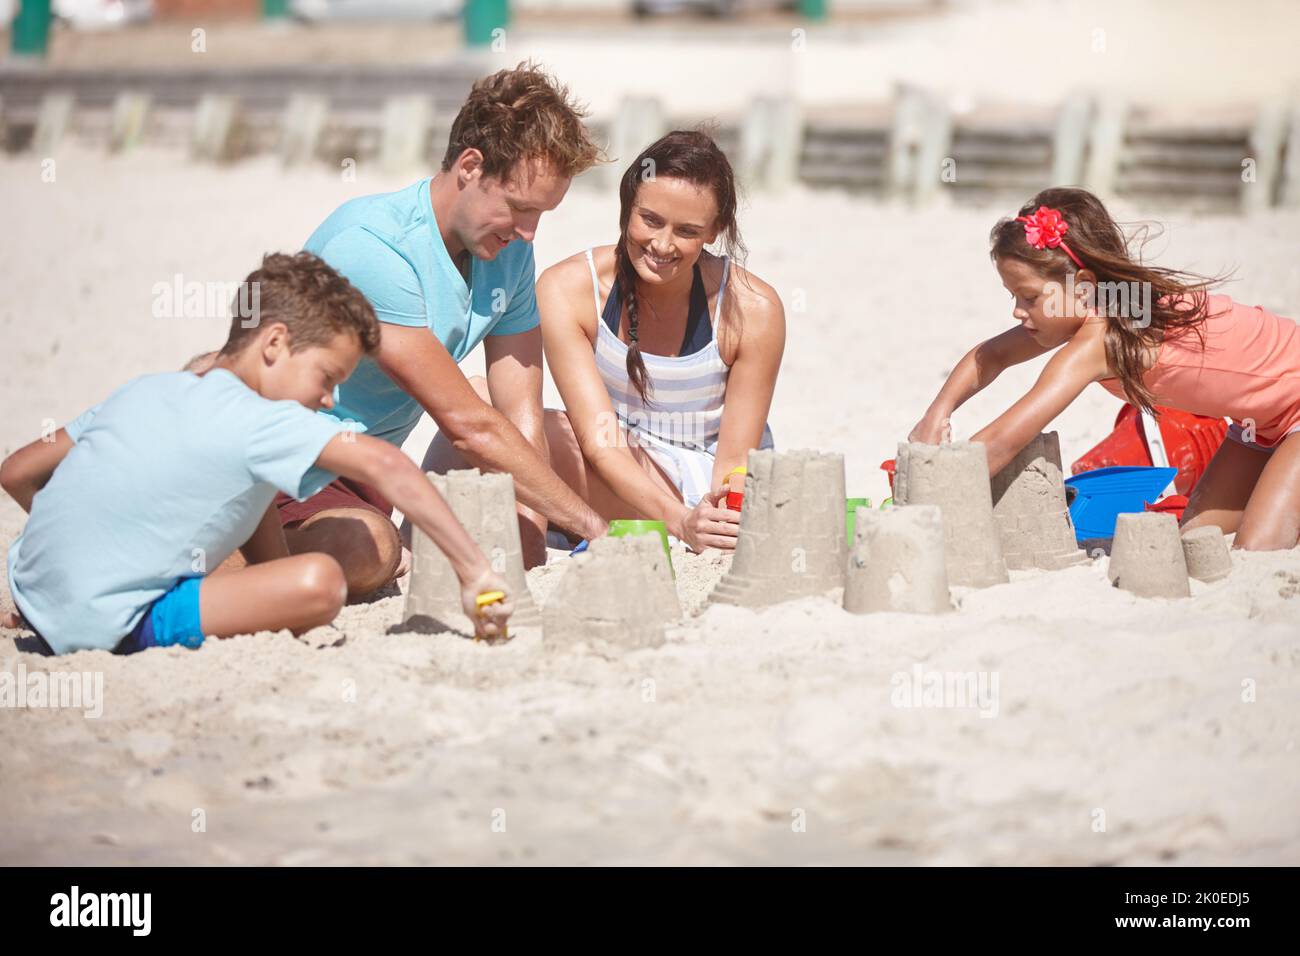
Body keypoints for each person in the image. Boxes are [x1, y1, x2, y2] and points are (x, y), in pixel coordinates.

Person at [189, 64, 609, 594]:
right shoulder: (375, 246)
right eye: (520, 208)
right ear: (470, 166)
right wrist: (593, 526)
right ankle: (207, 560)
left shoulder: (508, 253)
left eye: (542, 214)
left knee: (502, 452)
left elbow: (516, 406)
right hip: (278, 461)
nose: (528, 233)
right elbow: (468, 427)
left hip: (362, 471)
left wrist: (530, 525)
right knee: (374, 550)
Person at [0, 253, 511, 655]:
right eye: (327, 378)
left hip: (31, 595)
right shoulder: (260, 418)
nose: (329, 400)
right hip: (103, 624)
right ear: (274, 344)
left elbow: (17, 471)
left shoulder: (146, 389)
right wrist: (473, 571)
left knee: (262, 512)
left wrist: (71, 564)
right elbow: (386, 463)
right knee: (319, 583)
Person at [909, 187, 1300, 551]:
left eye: (1028, 297)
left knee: (1257, 551)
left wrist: (928, 494)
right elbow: (991, 356)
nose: (1017, 310)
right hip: (1256, 427)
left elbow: (1004, 441)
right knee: (1195, 545)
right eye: (1013, 296)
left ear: (1083, 285)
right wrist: (937, 414)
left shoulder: (1100, 338)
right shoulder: (1084, 309)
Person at [529, 130, 785, 552]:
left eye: (687, 231)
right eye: (650, 220)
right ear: (627, 206)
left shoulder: (754, 308)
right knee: (486, 406)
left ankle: (572, 526)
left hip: (701, 486)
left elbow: (736, 462)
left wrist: (703, 519)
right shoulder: (566, 288)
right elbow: (598, 438)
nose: (662, 245)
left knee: (521, 432)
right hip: (612, 461)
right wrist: (678, 521)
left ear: (714, 231)